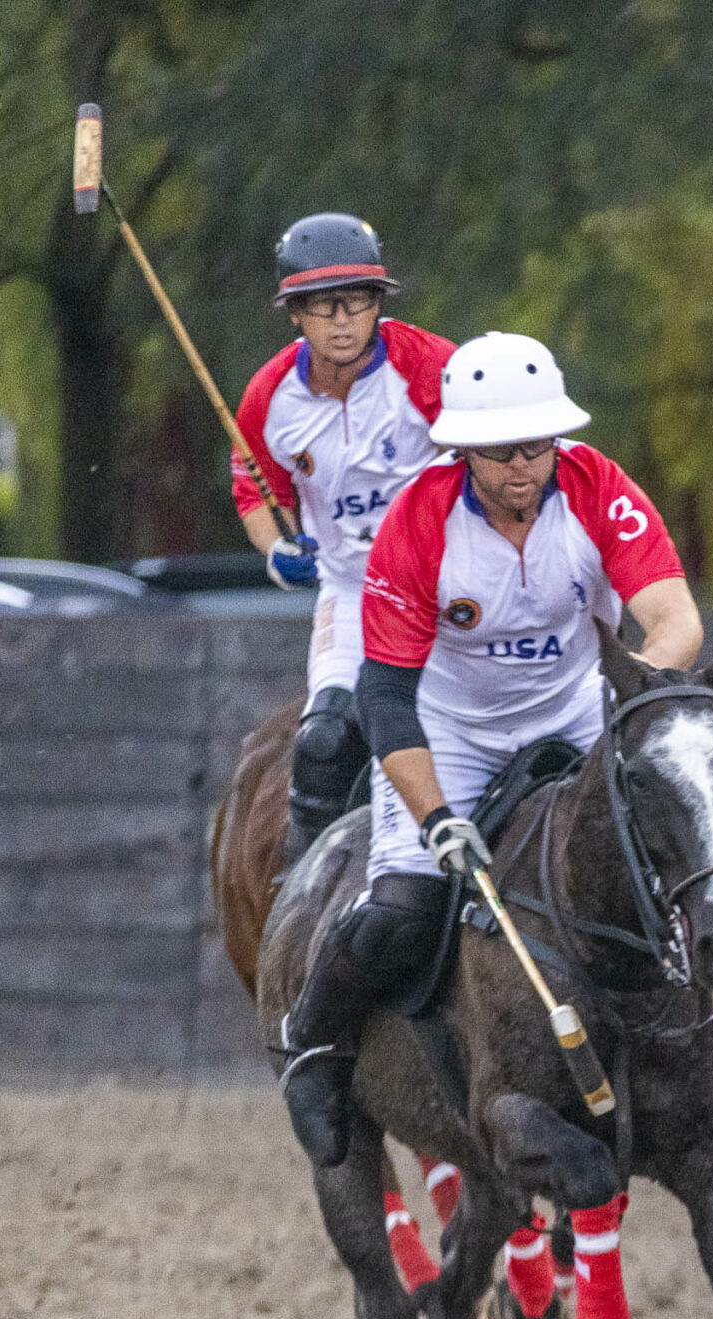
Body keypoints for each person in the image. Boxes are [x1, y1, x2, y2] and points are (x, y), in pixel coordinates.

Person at [274, 331, 703, 1168]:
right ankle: (314, 1046)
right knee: (404, 903)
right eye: (503, 452)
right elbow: (386, 697)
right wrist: (437, 818)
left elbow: (677, 622)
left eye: (537, 446)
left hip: (581, 710)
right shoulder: (419, 519)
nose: (524, 467)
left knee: (666, 855)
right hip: (452, 728)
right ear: (463, 449)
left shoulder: (599, 487)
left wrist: (631, 704)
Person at [230, 213, 456, 862]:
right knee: (324, 740)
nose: (341, 318)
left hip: (445, 585)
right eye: (320, 304)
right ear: (293, 313)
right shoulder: (268, 398)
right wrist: (277, 550)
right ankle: (306, 900)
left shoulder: (432, 370)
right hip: (353, 589)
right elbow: (255, 493)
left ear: (377, 301)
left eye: (355, 298)